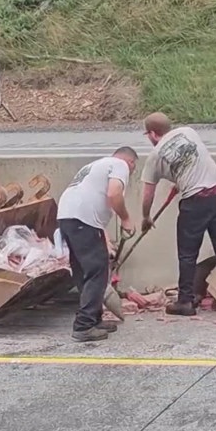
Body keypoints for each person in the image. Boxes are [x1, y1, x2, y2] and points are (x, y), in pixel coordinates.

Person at [140, 112, 216, 317]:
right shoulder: (188, 132)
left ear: (152, 134)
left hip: (195, 203)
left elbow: (148, 193)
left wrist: (146, 217)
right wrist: (179, 181)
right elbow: (191, 163)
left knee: (187, 255)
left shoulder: (155, 157)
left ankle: (185, 301)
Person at [57, 146, 138, 342]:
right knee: (97, 270)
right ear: (131, 162)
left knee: (83, 270)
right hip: (83, 219)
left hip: (66, 216)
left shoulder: (95, 166)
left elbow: (94, 199)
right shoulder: (120, 165)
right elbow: (113, 193)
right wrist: (126, 218)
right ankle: (84, 325)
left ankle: (94, 319)